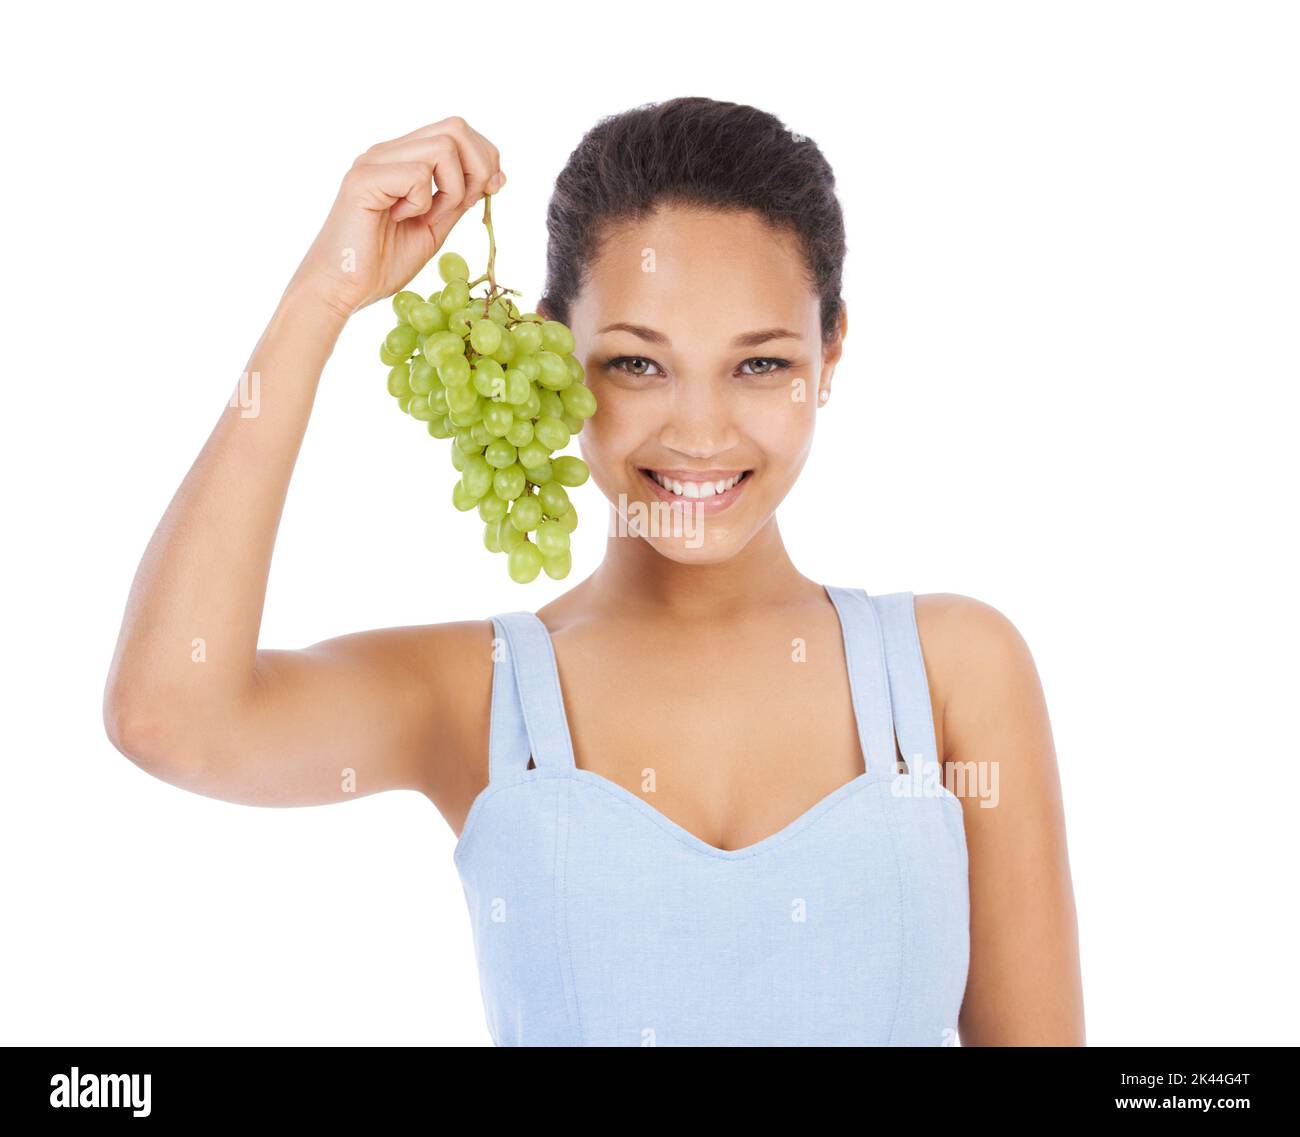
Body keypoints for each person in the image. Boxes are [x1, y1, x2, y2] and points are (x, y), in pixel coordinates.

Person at [104, 97, 1084, 1046]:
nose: (699, 434)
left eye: (759, 365)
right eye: (636, 364)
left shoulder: (953, 670)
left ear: (830, 351)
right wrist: (320, 296)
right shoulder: (479, 695)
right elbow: (167, 718)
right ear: (552, 350)